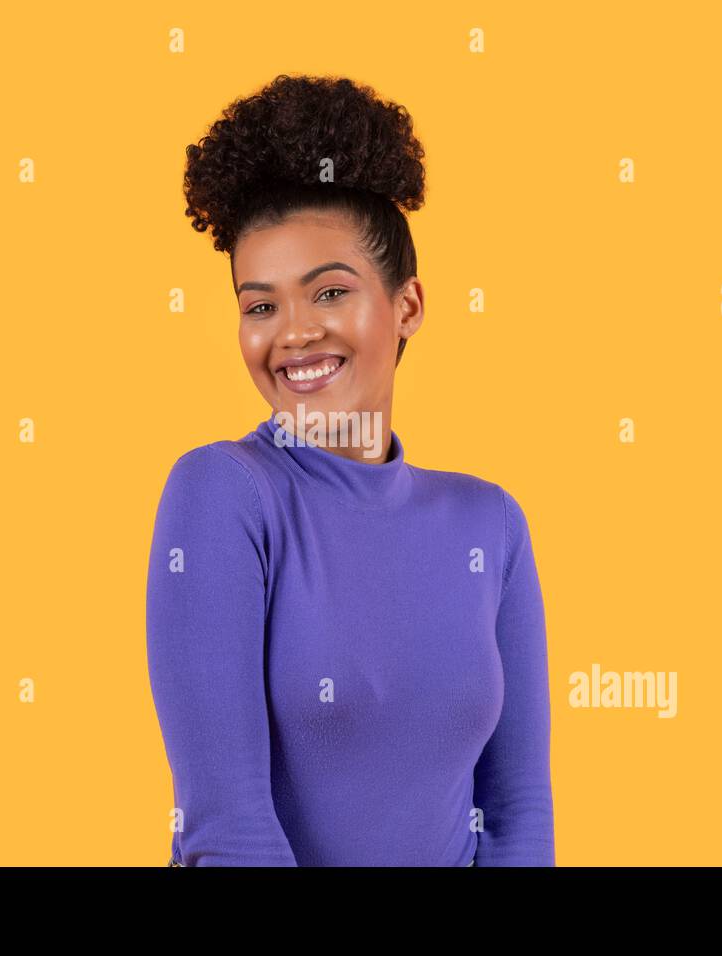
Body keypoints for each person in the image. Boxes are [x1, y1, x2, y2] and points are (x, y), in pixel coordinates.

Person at [146, 73, 554, 866]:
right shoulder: (223, 496)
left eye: (328, 292)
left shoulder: (489, 523)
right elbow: (227, 831)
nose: (292, 334)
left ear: (406, 307)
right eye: (260, 305)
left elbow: (517, 816)